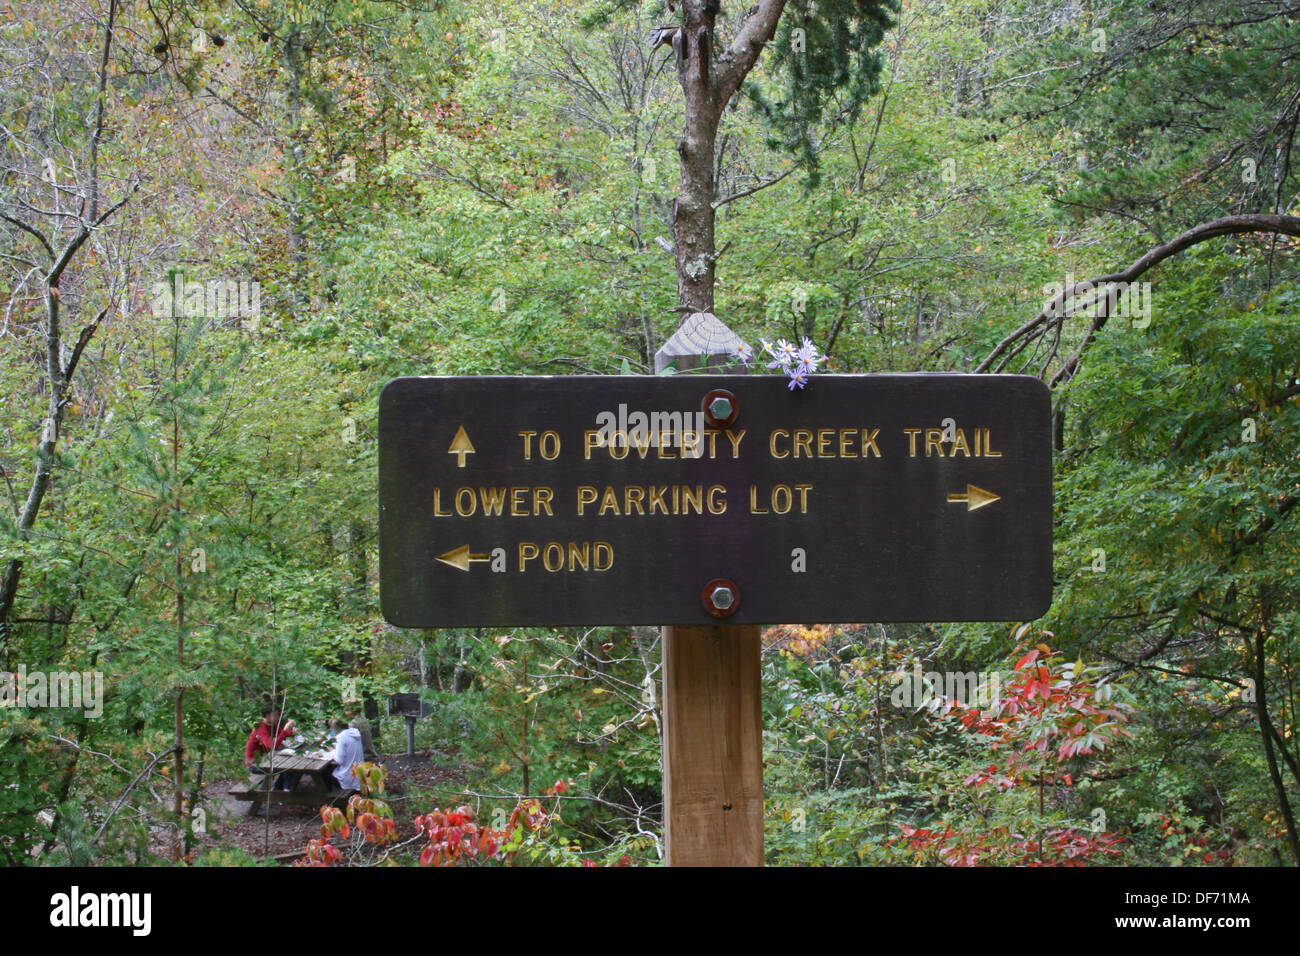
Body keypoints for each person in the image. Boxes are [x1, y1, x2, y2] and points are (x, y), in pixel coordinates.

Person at [244, 705, 299, 791]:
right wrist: (285, 730)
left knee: (291, 764)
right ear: (267, 716)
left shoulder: (272, 724)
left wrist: (294, 732)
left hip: (266, 760)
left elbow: (282, 734)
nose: (278, 717)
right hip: (255, 765)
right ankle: (285, 791)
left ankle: (279, 789)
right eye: (276, 715)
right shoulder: (260, 727)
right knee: (289, 767)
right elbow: (272, 745)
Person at [320, 718, 364, 792]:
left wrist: (333, 752)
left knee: (324, 771)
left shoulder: (341, 737)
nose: (331, 729)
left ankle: (329, 795)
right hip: (359, 774)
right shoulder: (355, 732)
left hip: (348, 777)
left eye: (332, 727)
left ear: (336, 727)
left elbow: (339, 760)